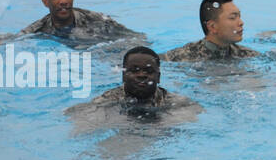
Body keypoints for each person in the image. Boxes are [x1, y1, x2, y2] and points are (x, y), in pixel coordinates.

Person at [64, 46, 201, 118]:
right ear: (123, 75)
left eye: (148, 71)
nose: (141, 75)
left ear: (158, 77)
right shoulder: (107, 101)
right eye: (134, 70)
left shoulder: (175, 102)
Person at [18, 0, 139, 42]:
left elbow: (135, 37)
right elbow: (14, 39)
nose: (63, 1)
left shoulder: (96, 20)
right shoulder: (39, 29)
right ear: (45, 2)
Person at [161, 0, 261, 61]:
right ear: (212, 27)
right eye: (233, 17)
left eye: (239, 16)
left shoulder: (247, 55)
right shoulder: (181, 57)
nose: (241, 23)